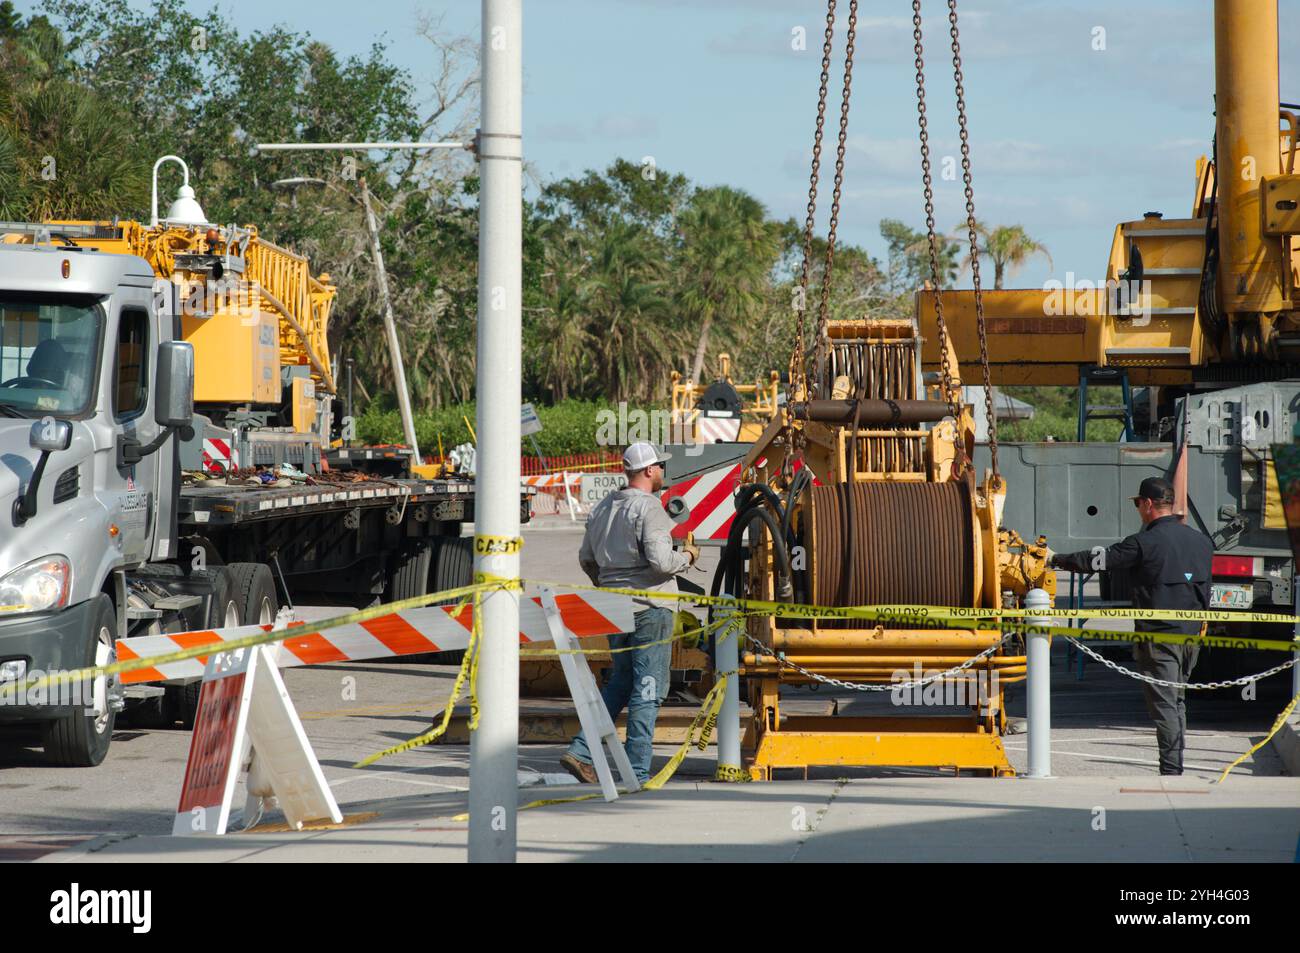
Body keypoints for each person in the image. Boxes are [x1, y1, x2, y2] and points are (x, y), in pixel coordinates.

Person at [1049, 477, 1213, 775]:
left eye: (1139, 503)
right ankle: (1175, 763)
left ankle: (1171, 770)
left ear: (1149, 504)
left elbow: (1099, 561)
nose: (1138, 508)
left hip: (1158, 637)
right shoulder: (1201, 542)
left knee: (1164, 705)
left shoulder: (1144, 542)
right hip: (1191, 637)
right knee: (1177, 701)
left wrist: (1056, 559)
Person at [560, 441, 700, 785]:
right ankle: (637, 770)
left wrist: (609, 586)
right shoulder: (650, 508)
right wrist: (690, 557)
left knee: (621, 683)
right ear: (650, 471)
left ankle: (581, 750)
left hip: (614, 610)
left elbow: (586, 560)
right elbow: (662, 562)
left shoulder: (605, 507)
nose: (663, 473)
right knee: (648, 689)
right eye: (660, 467)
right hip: (650, 610)